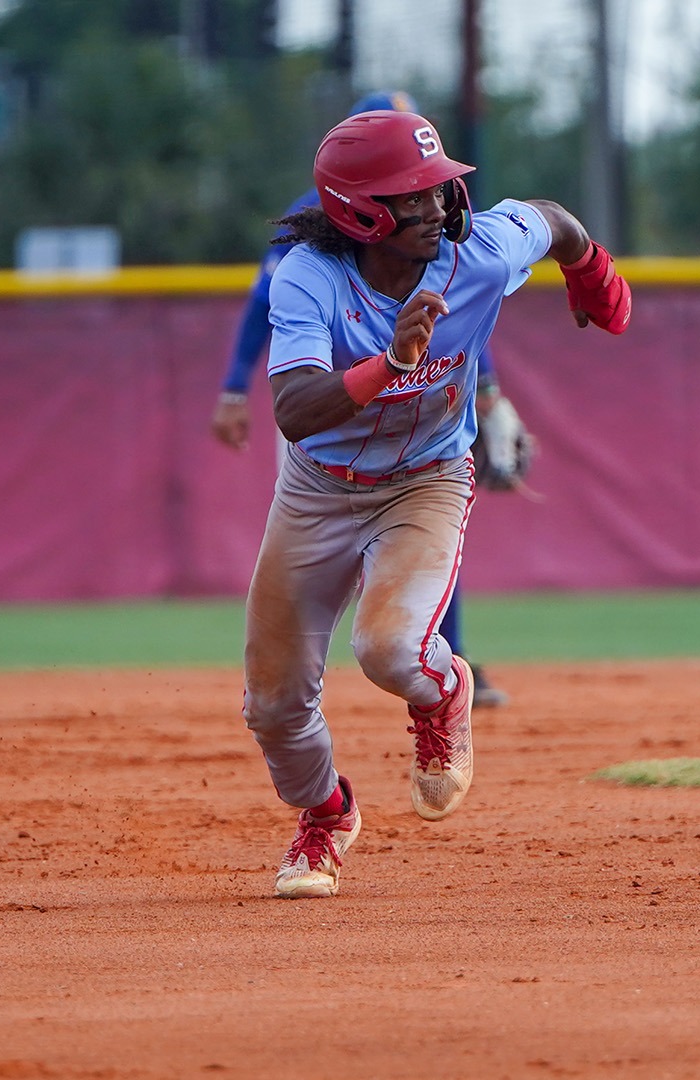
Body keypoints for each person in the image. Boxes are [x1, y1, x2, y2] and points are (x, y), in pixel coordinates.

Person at [242, 108, 632, 898]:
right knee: (274, 703)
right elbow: (293, 409)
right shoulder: (307, 277)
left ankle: (444, 696)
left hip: (425, 479)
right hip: (318, 488)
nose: (437, 205)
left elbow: (554, 222)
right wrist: (390, 363)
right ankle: (327, 814)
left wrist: (592, 276)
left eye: (438, 187)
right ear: (358, 212)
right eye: (411, 195)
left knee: (390, 651)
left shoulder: (477, 251)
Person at [209, 91, 522, 710]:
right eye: (410, 182)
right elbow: (263, 309)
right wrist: (232, 386)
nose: (431, 198)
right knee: (316, 555)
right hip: (327, 409)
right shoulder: (315, 229)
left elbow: (459, 307)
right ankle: (298, 689)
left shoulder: (431, 216)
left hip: (421, 422)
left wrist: (486, 390)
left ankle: (438, 657)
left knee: (422, 534)